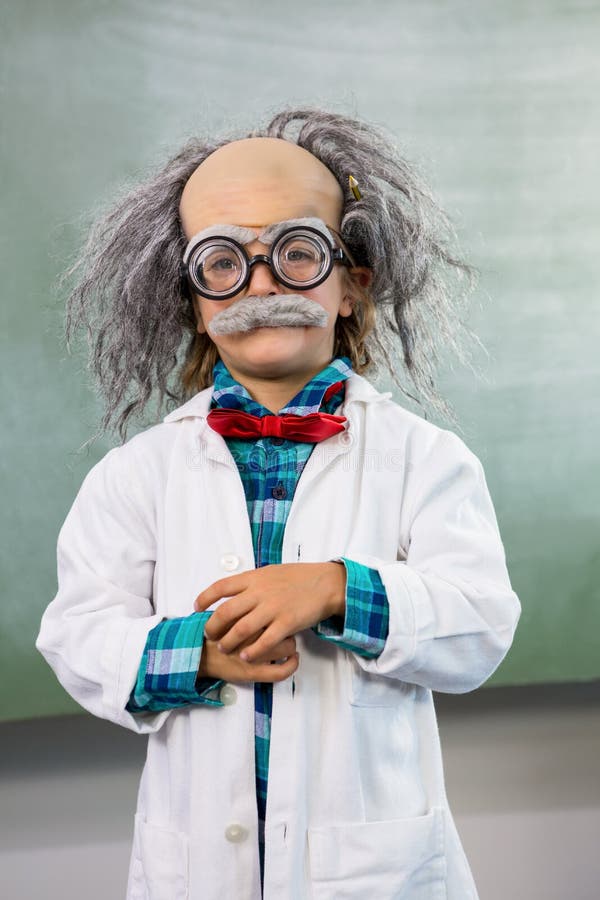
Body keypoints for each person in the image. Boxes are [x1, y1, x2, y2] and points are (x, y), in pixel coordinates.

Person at [37, 108, 521, 900]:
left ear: (351, 285)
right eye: (222, 261)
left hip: (374, 872)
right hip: (196, 868)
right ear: (193, 298)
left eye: (296, 252)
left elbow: (481, 625)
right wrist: (189, 652)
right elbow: (76, 634)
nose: (260, 283)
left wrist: (337, 588)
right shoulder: (139, 474)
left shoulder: (426, 460)